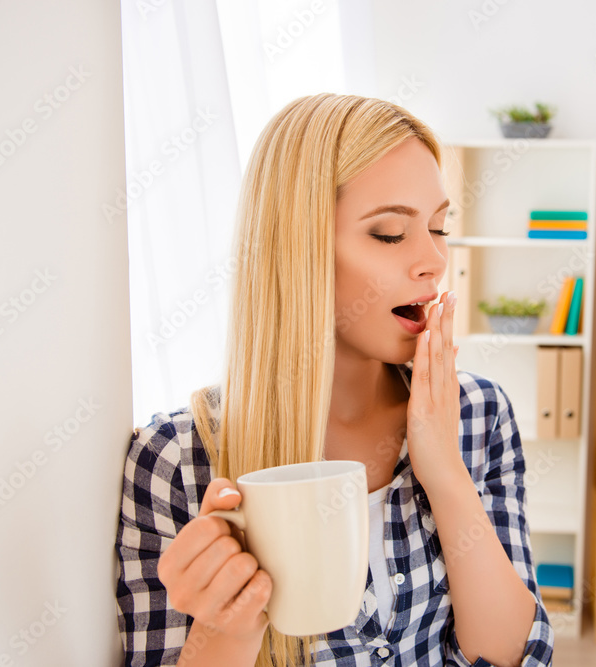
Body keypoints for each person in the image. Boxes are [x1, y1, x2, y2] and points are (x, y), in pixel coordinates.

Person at [115, 93, 554, 667]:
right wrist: (228, 627)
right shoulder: (174, 460)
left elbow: (513, 657)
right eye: (391, 233)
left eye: (440, 227)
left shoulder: (479, 413)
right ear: (298, 252)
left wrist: (445, 471)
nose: (434, 260)